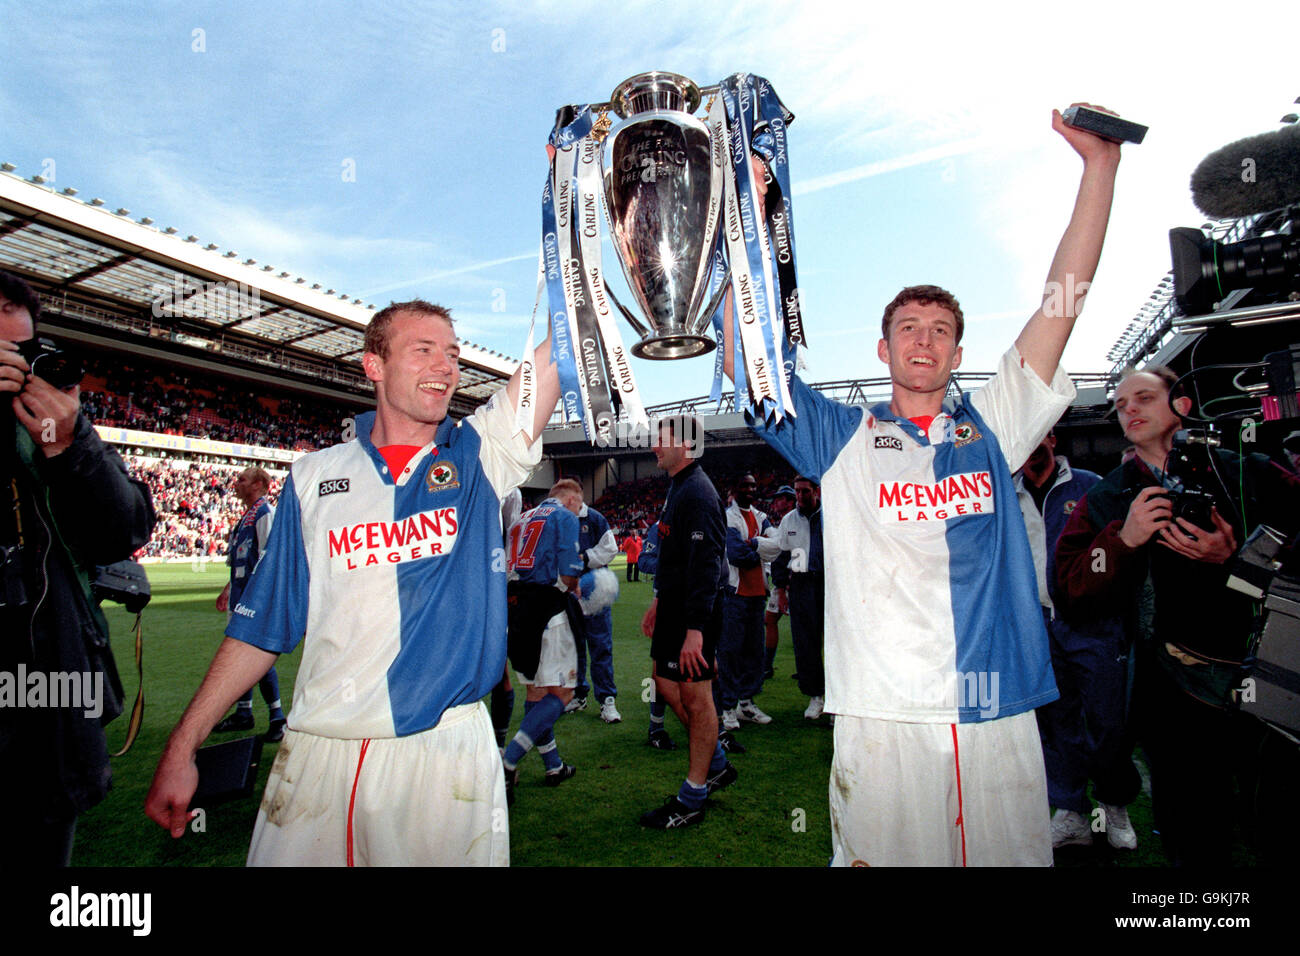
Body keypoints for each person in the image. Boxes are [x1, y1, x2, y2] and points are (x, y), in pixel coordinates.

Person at [731, 104, 1124, 865]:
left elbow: (1061, 305)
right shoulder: (839, 437)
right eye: (909, 326)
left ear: (958, 351)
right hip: (881, 715)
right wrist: (745, 213)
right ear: (883, 347)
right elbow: (754, 357)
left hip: (993, 708)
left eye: (940, 329)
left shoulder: (995, 426)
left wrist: (1099, 170)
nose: (924, 338)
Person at [145, 299, 558, 866]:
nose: (446, 365)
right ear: (375, 365)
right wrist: (183, 743)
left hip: (442, 754)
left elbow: (565, 347)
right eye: (424, 350)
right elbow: (259, 628)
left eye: (454, 353)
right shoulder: (313, 477)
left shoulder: (480, 455)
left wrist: (588, 241)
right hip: (318, 755)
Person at [1054, 367, 1299, 866]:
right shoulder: (1107, 497)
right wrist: (1123, 540)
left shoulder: (1247, 470)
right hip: (1173, 687)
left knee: (1278, 819)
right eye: (1120, 405)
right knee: (1192, 828)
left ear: (1181, 406)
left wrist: (1239, 560)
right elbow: (1071, 587)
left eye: (1144, 397)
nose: (1130, 410)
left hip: (1271, 677)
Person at [0, 270, 156, 865]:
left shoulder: (51, 431)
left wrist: (68, 443)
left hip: (52, 717)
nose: (25, 373)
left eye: (30, 355)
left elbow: (126, 530)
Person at [1013, 429, 1139, 850]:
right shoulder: (1007, 495)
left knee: (1107, 719)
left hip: (1092, 620)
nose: (1031, 447)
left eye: (1038, 437)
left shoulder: (1088, 485)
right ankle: (1070, 811)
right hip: (1037, 623)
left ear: (1050, 436)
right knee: (1055, 720)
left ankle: (1114, 806)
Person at [639, 416, 737, 827]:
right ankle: (715, 762)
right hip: (674, 607)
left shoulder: (697, 493)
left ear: (688, 446)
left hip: (693, 614)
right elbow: (675, 555)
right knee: (664, 682)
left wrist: (695, 630)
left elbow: (707, 564)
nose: (654, 447)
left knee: (697, 699)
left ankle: (693, 797)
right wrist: (660, 599)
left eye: (661, 440)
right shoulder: (678, 486)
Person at [503, 479, 585, 801]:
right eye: (578, 505)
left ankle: (554, 765)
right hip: (546, 608)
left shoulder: (521, 518)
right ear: (568, 500)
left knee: (536, 691)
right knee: (564, 692)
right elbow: (569, 573)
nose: (579, 512)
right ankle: (507, 763)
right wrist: (573, 590)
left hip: (515, 607)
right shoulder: (564, 516)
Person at [211, 466, 286, 742]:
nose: (236, 483)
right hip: (240, 597)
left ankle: (278, 718)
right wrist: (227, 590)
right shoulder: (247, 516)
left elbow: (269, 558)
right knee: (240, 657)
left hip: (253, 601)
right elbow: (243, 560)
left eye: (242, 479)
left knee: (255, 657)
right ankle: (244, 712)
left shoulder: (265, 514)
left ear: (257, 485)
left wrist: (260, 598)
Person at [718, 474, 776, 730]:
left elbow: (779, 544)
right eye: (745, 485)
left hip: (756, 596)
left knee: (754, 652)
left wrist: (752, 543)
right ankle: (728, 707)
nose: (750, 489)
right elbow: (735, 553)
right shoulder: (728, 517)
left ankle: (746, 703)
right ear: (734, 488)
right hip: (734, 594)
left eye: (753, 484)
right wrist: (758, 550)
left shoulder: (761, 517)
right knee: (731, 652)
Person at [764, 477, 826, 720]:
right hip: (801, 585)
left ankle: (837, 698)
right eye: (798, 492)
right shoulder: (789, 520)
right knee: (805, 643)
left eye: (805, 492)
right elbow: (781, 558)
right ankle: (815, 696)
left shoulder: (832, 515)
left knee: (833, 641)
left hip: (829, 583)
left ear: (817, 491)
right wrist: (780, 591)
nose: (800, 496)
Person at [567, 490, 621, 722]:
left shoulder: (595, 519)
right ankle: (578, 694)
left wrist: (584, 558)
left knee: (600, 645)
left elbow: (610, 549)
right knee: (573, 646)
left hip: (595, 590)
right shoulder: (559, 518)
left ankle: (607, 700)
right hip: (568, 591)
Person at [762, 485, 796, 680]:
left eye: (780, 498)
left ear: (789, 501)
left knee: (772, 620)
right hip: (787, 579)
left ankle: (767, 666)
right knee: (771, 619)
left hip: (790, 580)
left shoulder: (791, 520)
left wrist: (783, 583)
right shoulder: (788, 520)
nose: (775, 502)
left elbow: (784, 553)